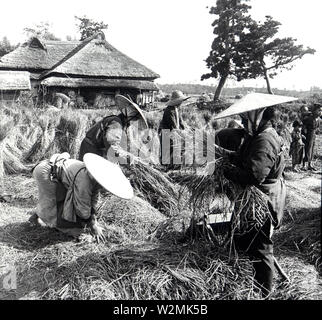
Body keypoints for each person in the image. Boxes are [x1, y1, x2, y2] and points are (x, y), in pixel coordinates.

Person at [213, 96, 291, 297]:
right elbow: (244, 158)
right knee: (242, 236)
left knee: (260, 247)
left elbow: (253, 176)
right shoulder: (257, 136)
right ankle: (246, 280)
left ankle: (264, 291)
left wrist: (226, 172)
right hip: (254, 199)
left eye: (246, 118)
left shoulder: (265, 139)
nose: (244, 122)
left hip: (262, 200)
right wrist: (225, 155)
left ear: (258, 115)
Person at [29, 153, 106, 242]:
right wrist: (92, 225)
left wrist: (93, 217)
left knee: (60, 202)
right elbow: (82, 205)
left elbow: (93, 199)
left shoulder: (94, 180)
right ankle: (55, 226)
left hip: (56, 173)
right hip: (45, 172)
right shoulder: (85, 180)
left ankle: (36, 216)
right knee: (53, 205)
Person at [78, 94, 148, 162]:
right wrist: (130, 157)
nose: (134, 122)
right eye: (135, 119)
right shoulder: (116, 124)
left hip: (95, 149)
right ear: (128, 117)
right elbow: (112, 147)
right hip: (90, 149)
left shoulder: (119, 124)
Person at [158, 90, 190, 167]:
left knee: (174, 153)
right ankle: (164, 169)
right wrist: (182, 134)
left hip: (173, 134)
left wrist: (187, 129)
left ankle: (171, 167)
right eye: (180, 101)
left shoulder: (176, 109)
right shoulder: (169, 111)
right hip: (167, 134)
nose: (181, 103)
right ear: (176, 101)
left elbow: (180, 121)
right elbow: (173, 125)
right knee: (167, 153)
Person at [301, 103, 321, 171]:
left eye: (321, 111)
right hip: (308, 136)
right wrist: (304, 135)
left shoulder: (318, 119)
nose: (320, 112)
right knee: (307, 150)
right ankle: (304, 165)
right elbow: (303, 127)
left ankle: (310, 164)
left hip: (313, 136)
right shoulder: (309, 118)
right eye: (319, 110)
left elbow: (317, 128)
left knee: (312, 150)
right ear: (314, 111)